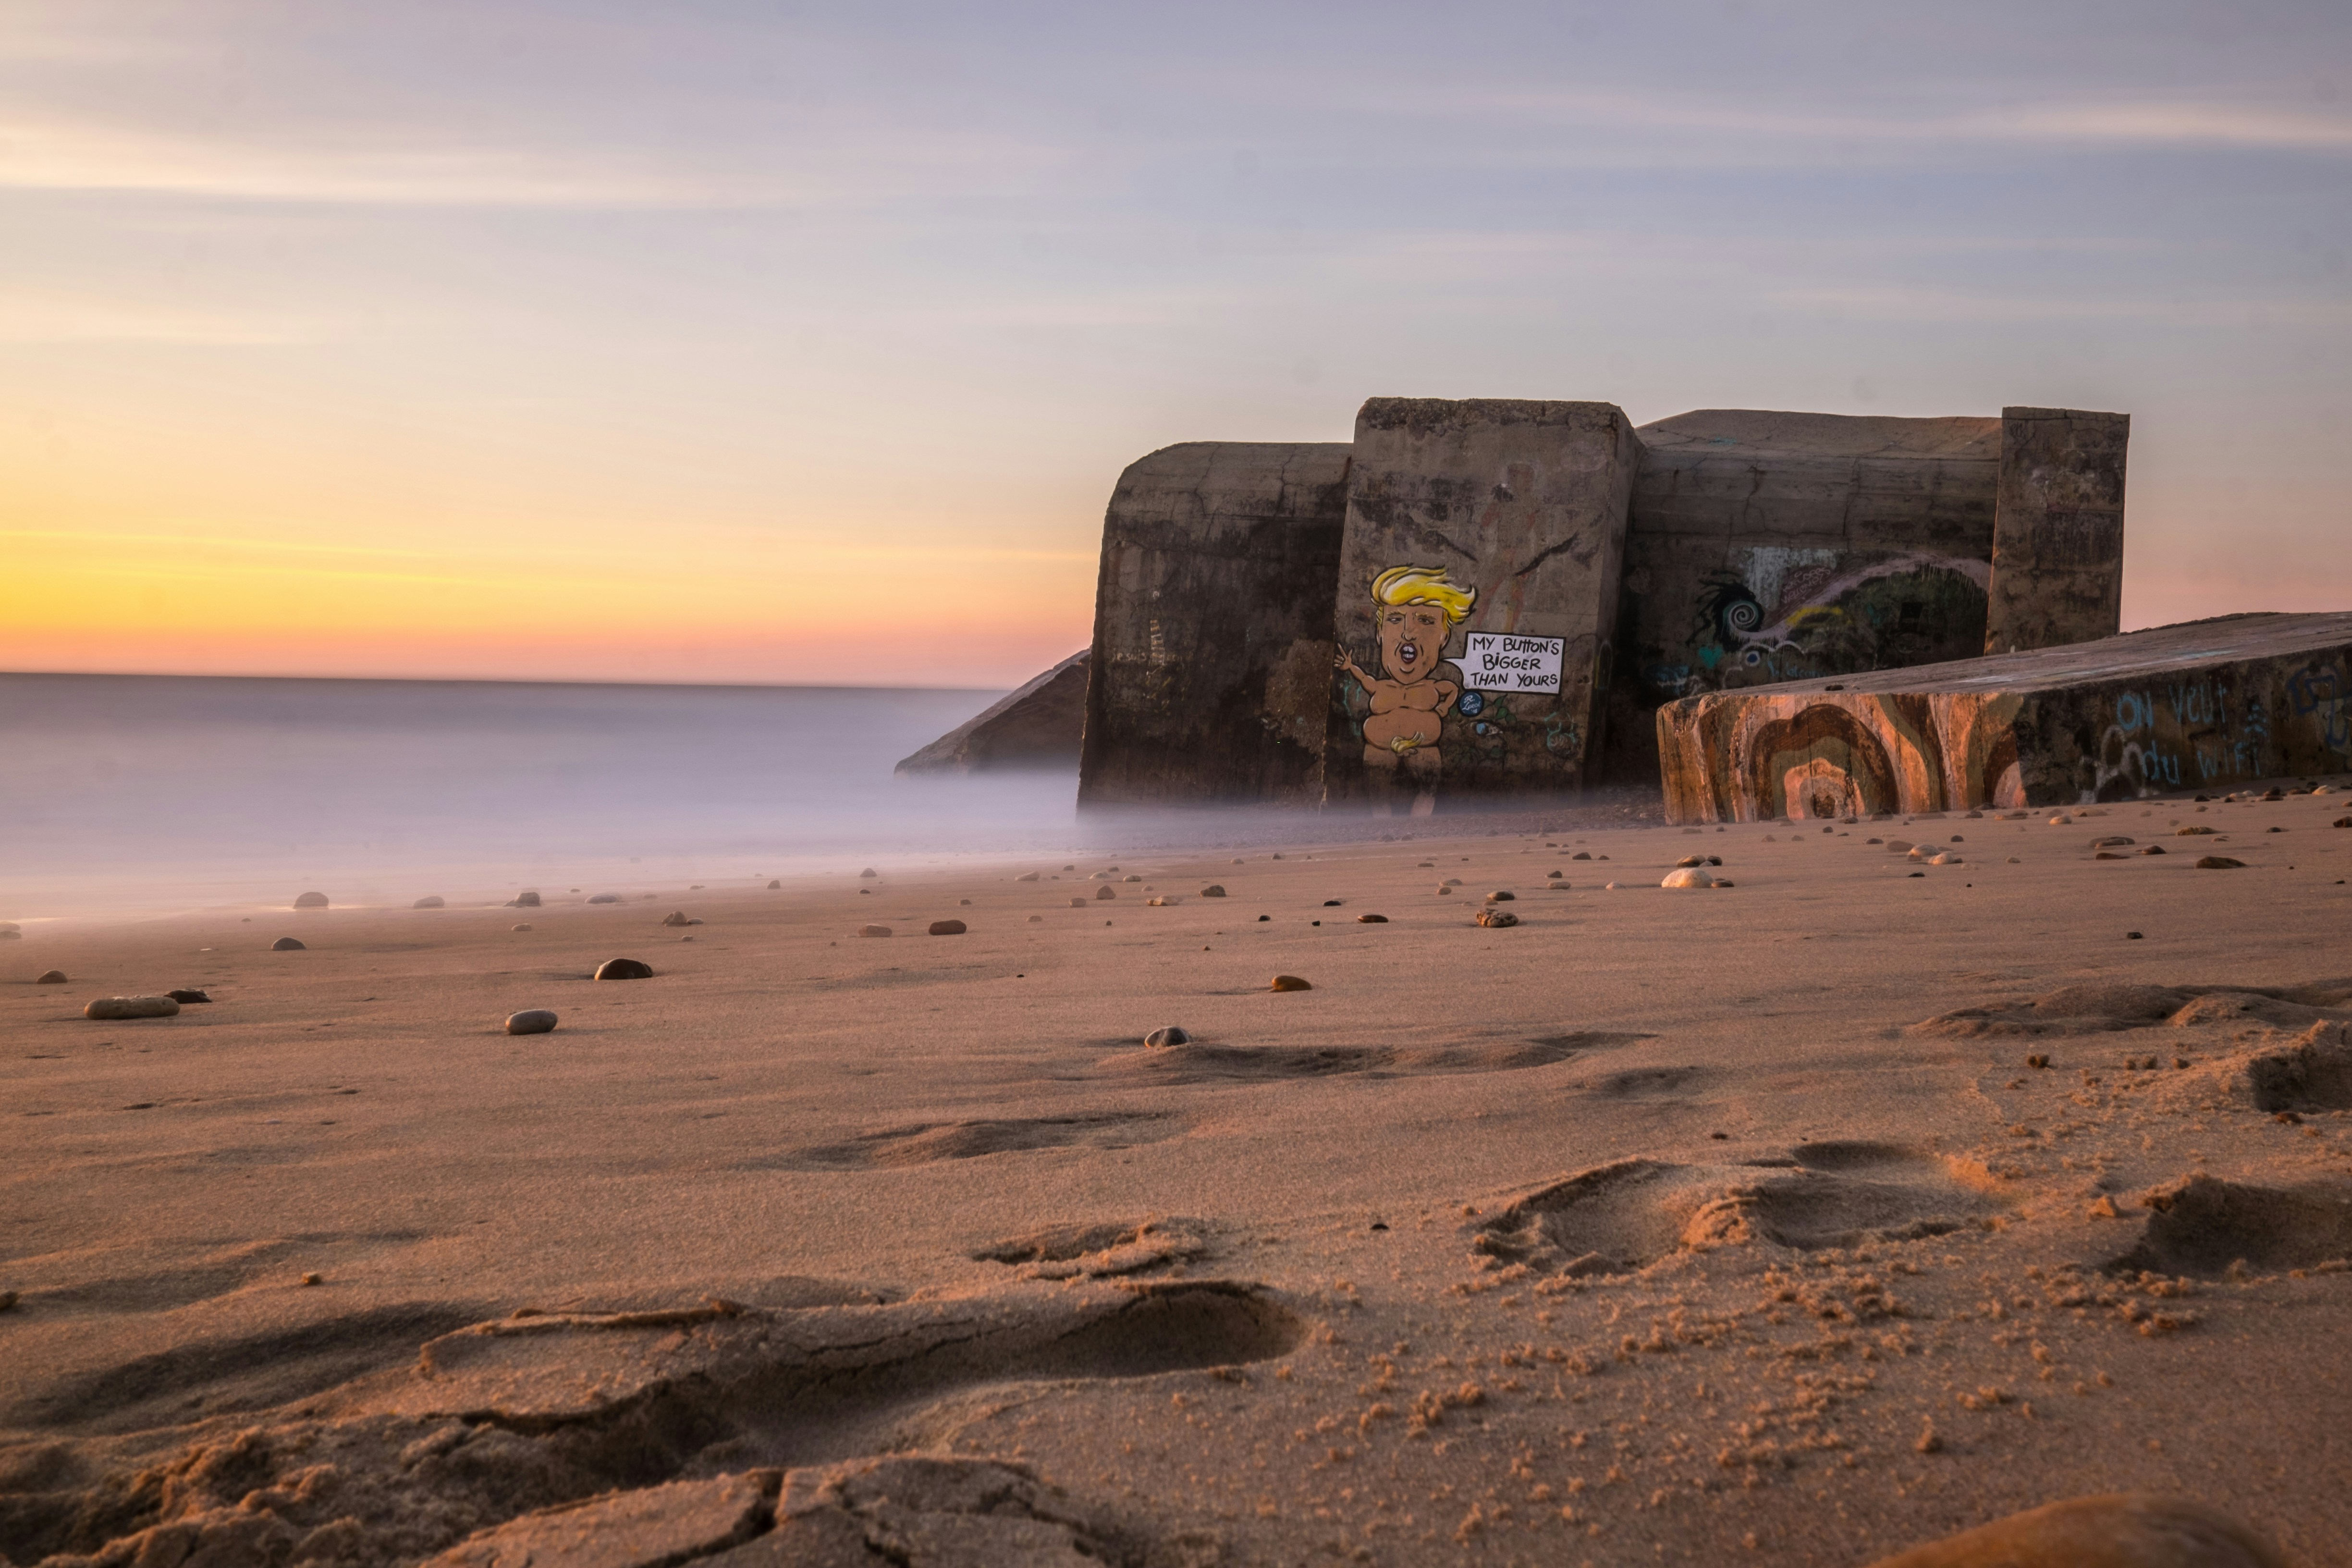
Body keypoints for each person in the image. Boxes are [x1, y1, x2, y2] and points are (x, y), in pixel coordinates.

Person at [1334, 564, 1478, 814]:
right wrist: (1350, 667)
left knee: (1427, 790)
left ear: (1444, 637)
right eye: (1395, 619)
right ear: (1380, 633)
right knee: (1378, 797)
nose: (1408, 634)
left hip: (1424, 749)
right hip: (1380, 749)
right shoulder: (1382, 686)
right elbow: (1365, 679)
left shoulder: (1432, 686)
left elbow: (1452, 690)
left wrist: (1443, 708)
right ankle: (1383, 832)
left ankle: (1419, 829)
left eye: (1425, 621)